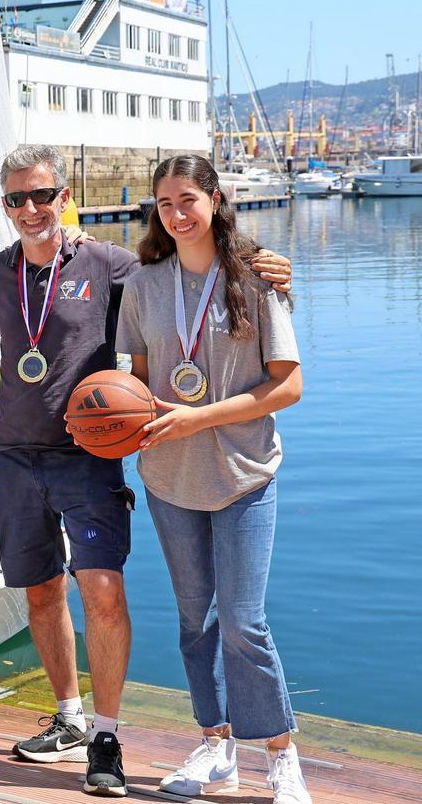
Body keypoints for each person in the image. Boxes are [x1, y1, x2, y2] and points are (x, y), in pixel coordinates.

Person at [0, 144, 293, 797]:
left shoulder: (111, 265)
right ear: (5, 205)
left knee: (117, 595)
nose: (30, 208)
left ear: (65, 198)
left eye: (42, 195)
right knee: (49, 595)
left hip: (99, 458)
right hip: (27, 459)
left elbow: (197, 273)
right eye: (17, 199)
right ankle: (77, 720)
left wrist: (275, 267)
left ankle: (112, 737)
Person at [116, 154, 309, 804]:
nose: (177, 214)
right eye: (165, 203)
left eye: (188, 200)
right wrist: (110, 417)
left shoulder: (255, 277)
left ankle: (280, 754)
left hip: (242, 475)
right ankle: (216, 746)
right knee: (195, 619)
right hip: (169, 478)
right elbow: (138, 382)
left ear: (216, 200)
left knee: (243, 622)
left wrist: (199, 418)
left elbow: (289, 386)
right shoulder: (144, 285)